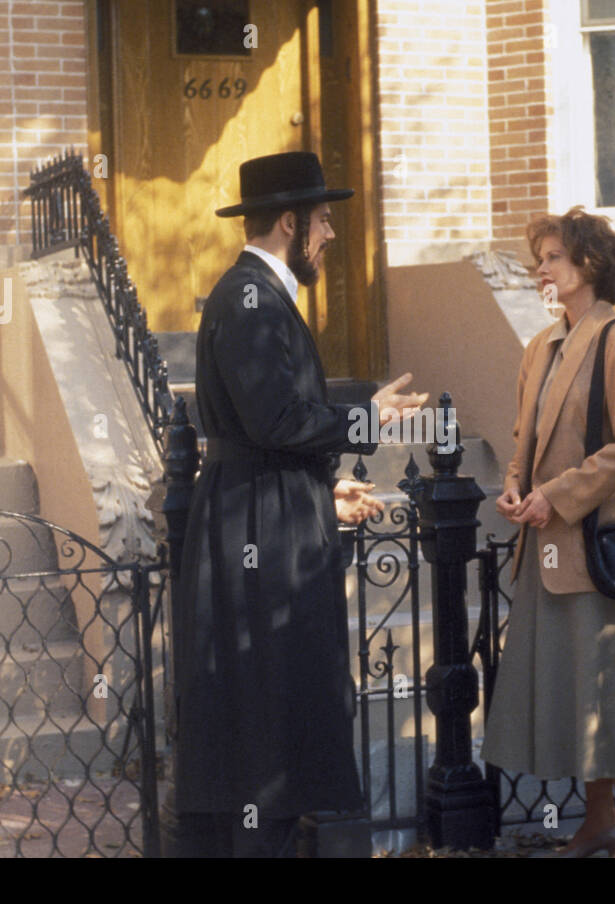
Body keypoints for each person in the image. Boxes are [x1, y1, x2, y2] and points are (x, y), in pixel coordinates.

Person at [176, 151, 425, 857]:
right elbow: (273, 419)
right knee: (267, 721)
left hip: (265, 509)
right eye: (321, 219)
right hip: (255, 531)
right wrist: (364, 419)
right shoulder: (249, 296)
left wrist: (323, 486)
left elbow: (265, 431)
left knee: (272, 717)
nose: (330, 234)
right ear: (289, 222)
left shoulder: (257, 292)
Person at [481, 207, 615, 858]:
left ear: (588, 265)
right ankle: (597, 820)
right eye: (539, 257)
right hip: (544, 549)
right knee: (576, 692)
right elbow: (526, 437)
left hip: (597, 546)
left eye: (553, 257)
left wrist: (557, 498)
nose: (541, 267)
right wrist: (516, 486)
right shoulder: (543, 345)